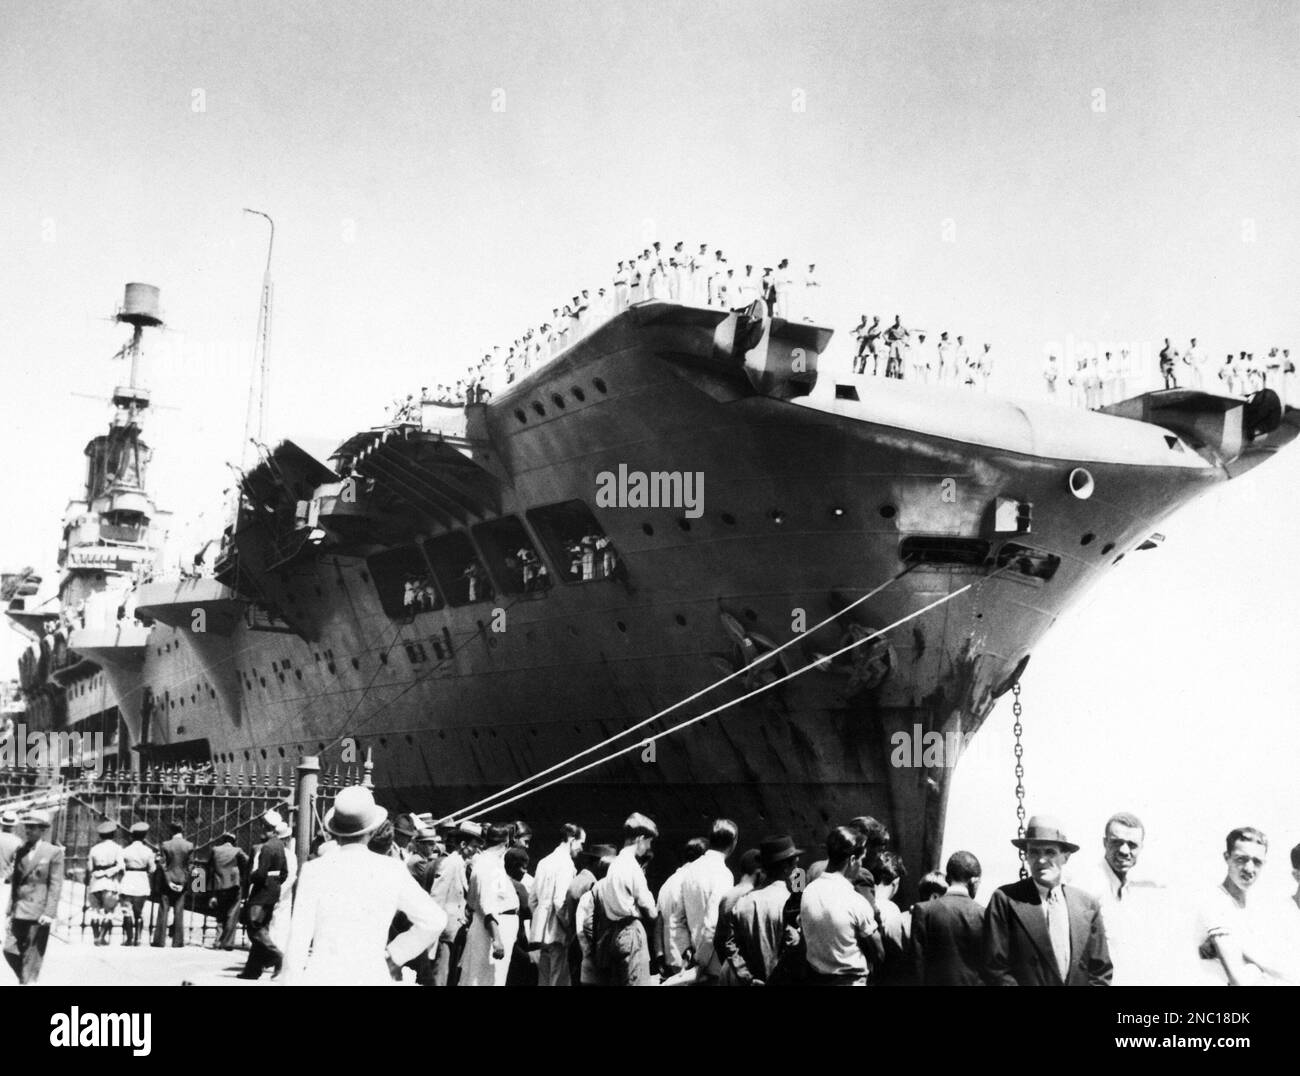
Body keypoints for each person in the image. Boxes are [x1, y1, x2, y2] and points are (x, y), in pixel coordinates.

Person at [283, 786, 445, 985]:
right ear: (371, 831)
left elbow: (297, 941)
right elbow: (435, 920)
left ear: (335, 831)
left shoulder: (313, 870)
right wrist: (396, 954)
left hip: (323, 975)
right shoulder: (392, 870)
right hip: (371, 974)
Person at [984, 814, 1112, 986]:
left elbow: (1101, 971)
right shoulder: (1005, 900)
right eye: (1034, 852)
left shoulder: (1087, 905)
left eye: (1050, 852)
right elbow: (995, 969)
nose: (1041, 860)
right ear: (1026, 856)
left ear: (1065, 857)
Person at [1195, 826, 1295, 985]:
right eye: (1241, 859)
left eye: (1257, 862)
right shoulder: (1215, 902)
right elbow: (1240, 980)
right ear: (1226, 857)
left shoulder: (1256, 907)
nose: (1249, 869)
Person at [1072, 812, 1163, 984]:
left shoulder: (1133, 890)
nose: (1124, 851)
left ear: (1141, 847)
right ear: (1105, 843)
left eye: (1132, 845)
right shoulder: (1087, 886)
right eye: (1116, 842)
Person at [798, 826, 882, 985]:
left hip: (816, 978)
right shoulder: (855, 901)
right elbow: (879, 952)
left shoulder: (808, 891)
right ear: (852, 860)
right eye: (861, 859)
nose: (861, 865)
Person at [721, 835, 802, 985]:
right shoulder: (791, 904)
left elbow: (730, 945)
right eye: (795, 865)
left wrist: (748, 978)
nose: (797, 870)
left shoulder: (742, 903)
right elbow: (794, 946)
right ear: (786, 868)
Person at [591, 812, 659, 985]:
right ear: (641, 838)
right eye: (649, 842)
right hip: (631, 931)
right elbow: (650, 910)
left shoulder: (615, 865)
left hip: (614, 934)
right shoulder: (632, 866)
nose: (648, 847)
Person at [3, 811, 63, 984]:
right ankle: (25, 978)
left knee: (33, 953)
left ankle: (28, 981)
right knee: (9, 948)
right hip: (20, 910)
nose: (28, 830)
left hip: (39, 912)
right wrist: (10, 909)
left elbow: (55, 885)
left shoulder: (53, 852)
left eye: (32, 827)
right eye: (26, 827)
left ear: (42, 830)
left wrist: (49, 912)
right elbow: (16, 883)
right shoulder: (21, 851)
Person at [911, 850, 987, 986]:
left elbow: (917, 965)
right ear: (974, 881)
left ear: (947, 879)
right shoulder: (984, 915)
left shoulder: (924, 910)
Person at [679, 818, 739, 983]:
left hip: (692, 955)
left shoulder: (691, 870)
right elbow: (713, 923)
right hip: (711, 964)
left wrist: (688, 952)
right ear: (733, 843)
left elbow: (679, 917)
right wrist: (701, 962)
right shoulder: (723, 874)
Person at [459, 823, 520, 986]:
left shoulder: (491, 862)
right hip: (491, 931)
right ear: (506, 843)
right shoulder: (488, 865)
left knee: (488, 978)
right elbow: (488, 906)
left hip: (492, 927)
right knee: (486, 979)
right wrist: (497, 939)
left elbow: (474, 903)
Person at [528, 822, 585, 986]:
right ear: (571, 839)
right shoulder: (566, 864)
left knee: (544, 980)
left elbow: (533, 900)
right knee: (559, 980)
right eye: (581, 843)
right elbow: (560, 901)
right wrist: (570, 928)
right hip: (557, 933)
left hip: (539, 935)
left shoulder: (544, 862)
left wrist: (540, 920)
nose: (581, 849)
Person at [239, 812, 291, 979]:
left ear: (268, 828)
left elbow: (260, 874)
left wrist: (251, 876)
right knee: (262, 927)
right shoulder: (279, 846)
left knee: (254, 927)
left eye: (263, 827)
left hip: (261, 894)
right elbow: (284, 873)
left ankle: (276, 956)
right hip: (272, 894)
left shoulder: (267, 847)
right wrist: (274, 884)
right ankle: (252, 970)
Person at [429, 819, 481, 986]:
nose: (476, 850)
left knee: (450, 976)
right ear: (463, 844)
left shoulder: (462, 864)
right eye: (473, 846)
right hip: (445, 932)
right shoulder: (450, 864)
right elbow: (436, 898)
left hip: (455, 931)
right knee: (440, 976)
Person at [653, 837, 705, 978]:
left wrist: (659, 955)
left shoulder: (667, 883)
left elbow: (658, 923)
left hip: (669, 958)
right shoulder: (693, 882)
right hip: (687, 959)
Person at [575, 845, 619, 986]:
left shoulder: (592, 892)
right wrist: (600, 951)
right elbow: (586, 927)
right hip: (597, 964)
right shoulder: (594, 893)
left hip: (592, 962)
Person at [152, 821, 193, 948]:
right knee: (179, 911)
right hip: (182, 881)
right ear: (183, 830)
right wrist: (186, 880)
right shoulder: (189, 845)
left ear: (171, 831)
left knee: (164, 910)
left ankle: (159, 940)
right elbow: (191, 866)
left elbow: (163, 864)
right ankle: (178, 941)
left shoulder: (165, 845)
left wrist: (168, 880)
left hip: (167, 881)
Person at [207, 831, 248, 951]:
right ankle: (228, 943)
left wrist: (200, 887)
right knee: (232, 914)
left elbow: (209, 868)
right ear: (233, 841)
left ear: (223, 840)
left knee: (220, 914)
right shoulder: (237, 851)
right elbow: (247, 861)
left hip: (219, 886)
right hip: (234, 885)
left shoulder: (215, 850)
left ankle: (217, 941)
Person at [85, 820, 124, 946]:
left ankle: (96, 937)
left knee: (94, 911)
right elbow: (121, 866)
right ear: (113, 834)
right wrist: (110, 872)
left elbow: (90, 867)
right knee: (109, 912)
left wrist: (98, 873)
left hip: (96, 882)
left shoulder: (94, 849)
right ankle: (102, 936)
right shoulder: (117, 848)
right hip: (109, 883)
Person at [119, 821, 154, 946]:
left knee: (126, 911)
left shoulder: (125, 851)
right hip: (142, 881)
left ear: (132, 836)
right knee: (139, 912)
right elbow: (152, 869)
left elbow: (121, 867)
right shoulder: (148, 851)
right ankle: (138, 939)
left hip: (128, 881)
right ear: (144, 836)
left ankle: (129, 939)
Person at [0, 810, 20, 924]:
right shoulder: (18, 842)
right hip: (6, 880)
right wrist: (8, 877)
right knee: (2, 909)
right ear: (14, 826)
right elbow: (16, 863)